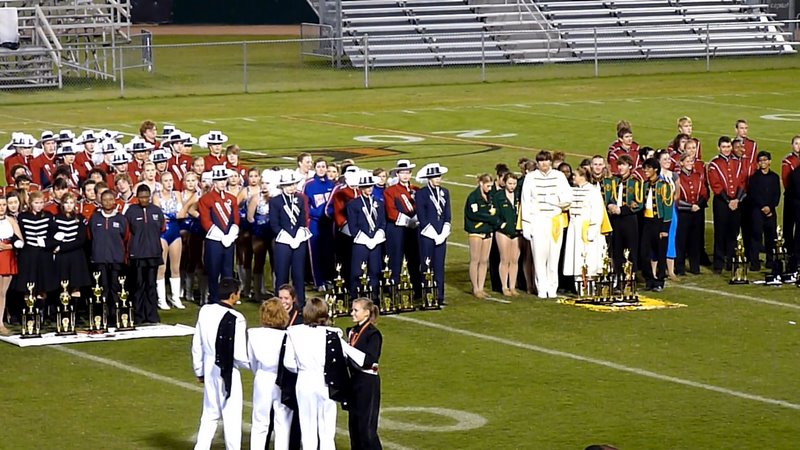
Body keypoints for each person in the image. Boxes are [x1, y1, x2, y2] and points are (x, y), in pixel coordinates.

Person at [283, 297, 367, 450]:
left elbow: (288, 363)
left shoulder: (294, 332)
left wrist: (302, 368)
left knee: (307, 429)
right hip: (327, 383)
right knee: (327, 431)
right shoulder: (333, 333)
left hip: (304, 381)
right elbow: (351, 357)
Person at [192, 278, 249, 450]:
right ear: (233, 295)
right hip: (228, 370)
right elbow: (239, 354)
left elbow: (197, 343)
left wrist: (199, 370)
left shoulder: (205, 310)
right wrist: (254, 365)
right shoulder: (237, 318)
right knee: (231, 417)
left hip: (209, 368)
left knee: (209, 414)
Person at [520, 151, 572, 299]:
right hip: (537, 220)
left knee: (553, 256)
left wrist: (553, 200)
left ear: (550, 162)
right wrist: (526, 225)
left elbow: (568, 198)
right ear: (537, 163)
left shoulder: (559, 176)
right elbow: (526, 201)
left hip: (554, 220)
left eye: (546, 161)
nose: (544, 164)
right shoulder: (530, 178)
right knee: (539, 256)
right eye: (541, 161)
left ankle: (552, 287)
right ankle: (541, 288)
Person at [247, 298, 292, 450]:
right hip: (282, 379)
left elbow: (251, 361)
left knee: (259, 422)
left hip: (262, 377)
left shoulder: (254, 334)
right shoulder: (288, 335)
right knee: (283, 422)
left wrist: (259, 373)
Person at [198, 165, 240, 304]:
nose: (222, 182)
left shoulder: (232, 198)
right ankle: (214, 298)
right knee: (213, 270)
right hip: (214, 240)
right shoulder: (205, 199)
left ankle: (227, 298)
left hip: (229, 239)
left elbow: (236, 219)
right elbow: (205, 221)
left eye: (224, 179)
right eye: (219, 180)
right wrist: (222, 237)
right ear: (214, 182)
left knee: (228, 270)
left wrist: (231, 235)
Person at [270, 169, 312, 308]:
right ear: (282, 186)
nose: (292, 187)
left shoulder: (300, 198)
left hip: (299, 240)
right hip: (283, 241)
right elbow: (274, 224)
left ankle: (299, 303)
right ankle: (279, 303)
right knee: (282, 274)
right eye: (289, 185)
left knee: (298, 274)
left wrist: (299, 234)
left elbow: (302, 219)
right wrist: (287, 236)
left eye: (294, 184)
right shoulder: (275, 201)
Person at [125, 184, 165, 324]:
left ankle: (152, 314)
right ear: (137, 197)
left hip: (153, 253)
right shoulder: (131, 211)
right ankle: (138, 315)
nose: (144, 200)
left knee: (151, 284)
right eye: (141, 197)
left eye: (146, 197)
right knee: (138, 285)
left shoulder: (156, 211)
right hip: (137, 254)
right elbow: (127, 231)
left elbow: (162, 227)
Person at [346, 298, 383, 450]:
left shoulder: (373, 334)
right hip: (353, 380)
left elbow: (370, 359)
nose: (352, 313)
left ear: (366, 313)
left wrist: (347, 349)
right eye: (352, 310)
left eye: (356, 310)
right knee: (354, 427)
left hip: (367, 382)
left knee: (366, 428)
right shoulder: (352, 331)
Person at [88, 190, 128, 328]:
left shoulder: (121, 219)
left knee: (116, 289)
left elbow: (126, 237)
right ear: (100, 201)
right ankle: (101, 318)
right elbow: (90, 236)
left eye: (111, 199)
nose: (108, 202)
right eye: (105, 200)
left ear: (114, 200)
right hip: (99, 260)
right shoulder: (95, 218)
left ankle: (116, 316)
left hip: (116, 260)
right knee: (101, 289)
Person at [14, 190, 56, 317]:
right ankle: (28, 313)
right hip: (28, 255)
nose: (39, 205)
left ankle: (40, 313)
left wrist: (46, 243)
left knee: (42, 286)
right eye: (36, 203)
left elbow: (54, 237)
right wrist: (18, 242)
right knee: (28, 286)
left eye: (41, 203)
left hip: (44, 255)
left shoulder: (48, 216)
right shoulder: (22, 217)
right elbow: (17, 234)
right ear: (30, 203)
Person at [383, 160, 422, 298]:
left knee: (415, 260)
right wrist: (408, 221)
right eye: (402, 173)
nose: (405, 175)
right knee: (395, 260)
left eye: (407, 172)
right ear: (398, 174)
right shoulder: (390, 191)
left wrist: (416, 219)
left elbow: (422, 207)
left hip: (413, 230)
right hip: (396, 230)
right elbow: (390, 211)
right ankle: (393, 290)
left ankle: (418, 289)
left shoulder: (416, 190)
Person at [563, 167, 606, 293]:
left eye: (575, 175)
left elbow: (598, 212)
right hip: (574, 228)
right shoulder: (571, 190)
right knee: (575, 257)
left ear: (582, 176)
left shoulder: (593, 191)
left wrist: (592, 230)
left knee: (589, 258)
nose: (573, 178)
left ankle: (590, 287)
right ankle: (579, 287)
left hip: (587, 227)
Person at [708, 136, 746, 273]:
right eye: (723, 147)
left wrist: (737, 199)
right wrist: (728, 201)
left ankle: (731, 261)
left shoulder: (738, 162)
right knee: (720, 232)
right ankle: (718, 263)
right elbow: (715, 185)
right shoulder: (714, 164)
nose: (726, 149)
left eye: (728, 147)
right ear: (719, 148)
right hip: (722, 203)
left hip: (736, 202)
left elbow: (742, 182)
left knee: (734, 232)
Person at [415, 163, 452, 305]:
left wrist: (443, 232)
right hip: (427, 235)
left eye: (439, 176)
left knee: (439, 266)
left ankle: (440, 296)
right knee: (426, 266)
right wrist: (433, 234)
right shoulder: (422, 193)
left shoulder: (445, 192)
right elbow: (422, 216)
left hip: (441, 234)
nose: (438, 179)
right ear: (429, 178)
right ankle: (428, 296)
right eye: (435, 176)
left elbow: (447, 215)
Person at [348, 171, 387, 297]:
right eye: (366, 187)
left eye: (370, 186)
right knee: (357, 272)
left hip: (375, 241)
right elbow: (353, 226)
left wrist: (376, 237)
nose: (369, 189)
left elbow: (382, 222)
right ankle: (356, 297)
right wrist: (366, 239)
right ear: (360, 188)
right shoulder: (353, 204)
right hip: (360, 243)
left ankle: (374, 297)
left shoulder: (379, 203)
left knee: (375, 271)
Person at [153, 171, 187, 310]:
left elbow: (181, 214)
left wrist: (172, 215)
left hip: (174, 230)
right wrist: (172, 215)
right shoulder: (156, 196)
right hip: (162, 232)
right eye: (166, 181)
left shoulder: (177, 194)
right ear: (161, 183)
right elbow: (159, 215)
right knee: (162, 267)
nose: (169, 183)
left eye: (171, 180)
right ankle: (161, 299)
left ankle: (175, 297)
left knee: (175, 267)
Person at [603, 155, 642, 275]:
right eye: (619, 164)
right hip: (615, 219)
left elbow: (639, 203)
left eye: (623, 165)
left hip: (629, 219)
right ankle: (618, 276)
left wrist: (622, 210)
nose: (620, 167)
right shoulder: (614, 181)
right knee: (616, 249)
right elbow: (609, 197)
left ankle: (630, 278)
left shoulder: (635, 182)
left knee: (630, 249)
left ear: (630, 166)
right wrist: (610, 206)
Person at [49, 193, 91, 303]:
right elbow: (52, 237)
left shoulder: (80, 218)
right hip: (61, 258)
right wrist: (56, 246)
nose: (69, 205)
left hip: (76, 256)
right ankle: (63, 314)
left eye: (71, 203)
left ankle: (74, 314)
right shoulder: (56, 219)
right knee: (63, 285)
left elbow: (81, 240)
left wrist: (62, 247)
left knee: (76, 286)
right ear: (62, 204)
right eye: (66, 202)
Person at [464, 173, 499, 298]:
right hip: (476, 230)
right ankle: (475, 288)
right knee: (475, 259)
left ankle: (481, 286)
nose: (489, 189)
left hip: (488, 230)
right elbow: (473, 215)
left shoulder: (490, 196)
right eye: (488, 186)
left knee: (484, 260)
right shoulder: (473, 197)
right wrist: (489, 218)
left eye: (491, 186)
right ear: (481, 184)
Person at [640, 158, 673, 292]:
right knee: (644, 253)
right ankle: (649, 279)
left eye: (648, 168)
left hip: (659, 222)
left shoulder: (663, 185)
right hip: (647, 222)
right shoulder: (645, 185)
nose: (646, 171)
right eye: (645, 168)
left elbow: (668, 207)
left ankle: (659, 280)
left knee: (660, 254)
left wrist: (665, 228)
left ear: (655, 169)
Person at [304, 158, 335, 290]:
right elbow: (305, 205)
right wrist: (317, 214)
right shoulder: (309, 184)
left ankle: (329, 278)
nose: (321, 169)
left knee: (328, 251)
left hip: (328, 223)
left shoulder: (332, 184)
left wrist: (329, 214)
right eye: (319, 167)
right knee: (315, 251)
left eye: (323, 167)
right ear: (315, 169)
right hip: (315, 223)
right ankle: (318, 281)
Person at [675, 154, 708, 275]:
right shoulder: (677, 178)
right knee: (681, 240)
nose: (690, 163)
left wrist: (698, 204)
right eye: (687, 161)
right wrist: (690, 206)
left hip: (697, 212)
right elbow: (676, 199)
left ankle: (695, 267)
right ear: (681, 163)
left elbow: (704, 194)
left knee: (695, 240)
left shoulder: (697, 176)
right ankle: (680, 268)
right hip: (684, 213)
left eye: (691, 161)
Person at [748, 151, 780, 272]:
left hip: (771, 212)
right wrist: (763, 207)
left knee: (771, 237)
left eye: (765, 160)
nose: (763, 162)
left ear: (770, 161)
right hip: (757, 211)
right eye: (760, 160)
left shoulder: (775, 177)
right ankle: (754, 262)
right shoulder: (754, 178)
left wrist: (770, 207)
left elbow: (776, 194)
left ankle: (770, 261)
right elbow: (753, 194)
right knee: (756, 237)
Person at [493, 173, 521, 296]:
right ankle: (504, 286)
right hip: (503, 232)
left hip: (516, 231)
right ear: (505, 183)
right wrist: (500, 224)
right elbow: (494, 212)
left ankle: (512, 286)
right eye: (510, 183)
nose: (512, 186)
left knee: (514, 259)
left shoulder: (519, 195)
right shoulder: (498, 196)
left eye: (514, 184)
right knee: (505, 259)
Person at [248, 176, 274, 301]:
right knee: (259, 261)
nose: (264, 185)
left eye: (267, 183)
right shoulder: (255, 198)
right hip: (259, 234)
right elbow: (249, 217)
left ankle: (277, 290)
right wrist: (257, 228)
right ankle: (257, 292)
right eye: (262, 183)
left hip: (273, 234)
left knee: (276, 262)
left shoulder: (275, 198)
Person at [0, 195, 22, 336]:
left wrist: (8, 247)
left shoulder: (11, 220)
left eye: (3, 205)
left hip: (7, 256)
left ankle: (0, 323)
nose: (1, 208)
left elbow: (20, 241)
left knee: (2, 292)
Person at [781, 135, 800, 273]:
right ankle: (789, 249)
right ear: (792, 145)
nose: (798, 146)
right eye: (796, 143)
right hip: (791, 197)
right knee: (789, 224)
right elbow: (786, 181)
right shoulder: (788, 161)